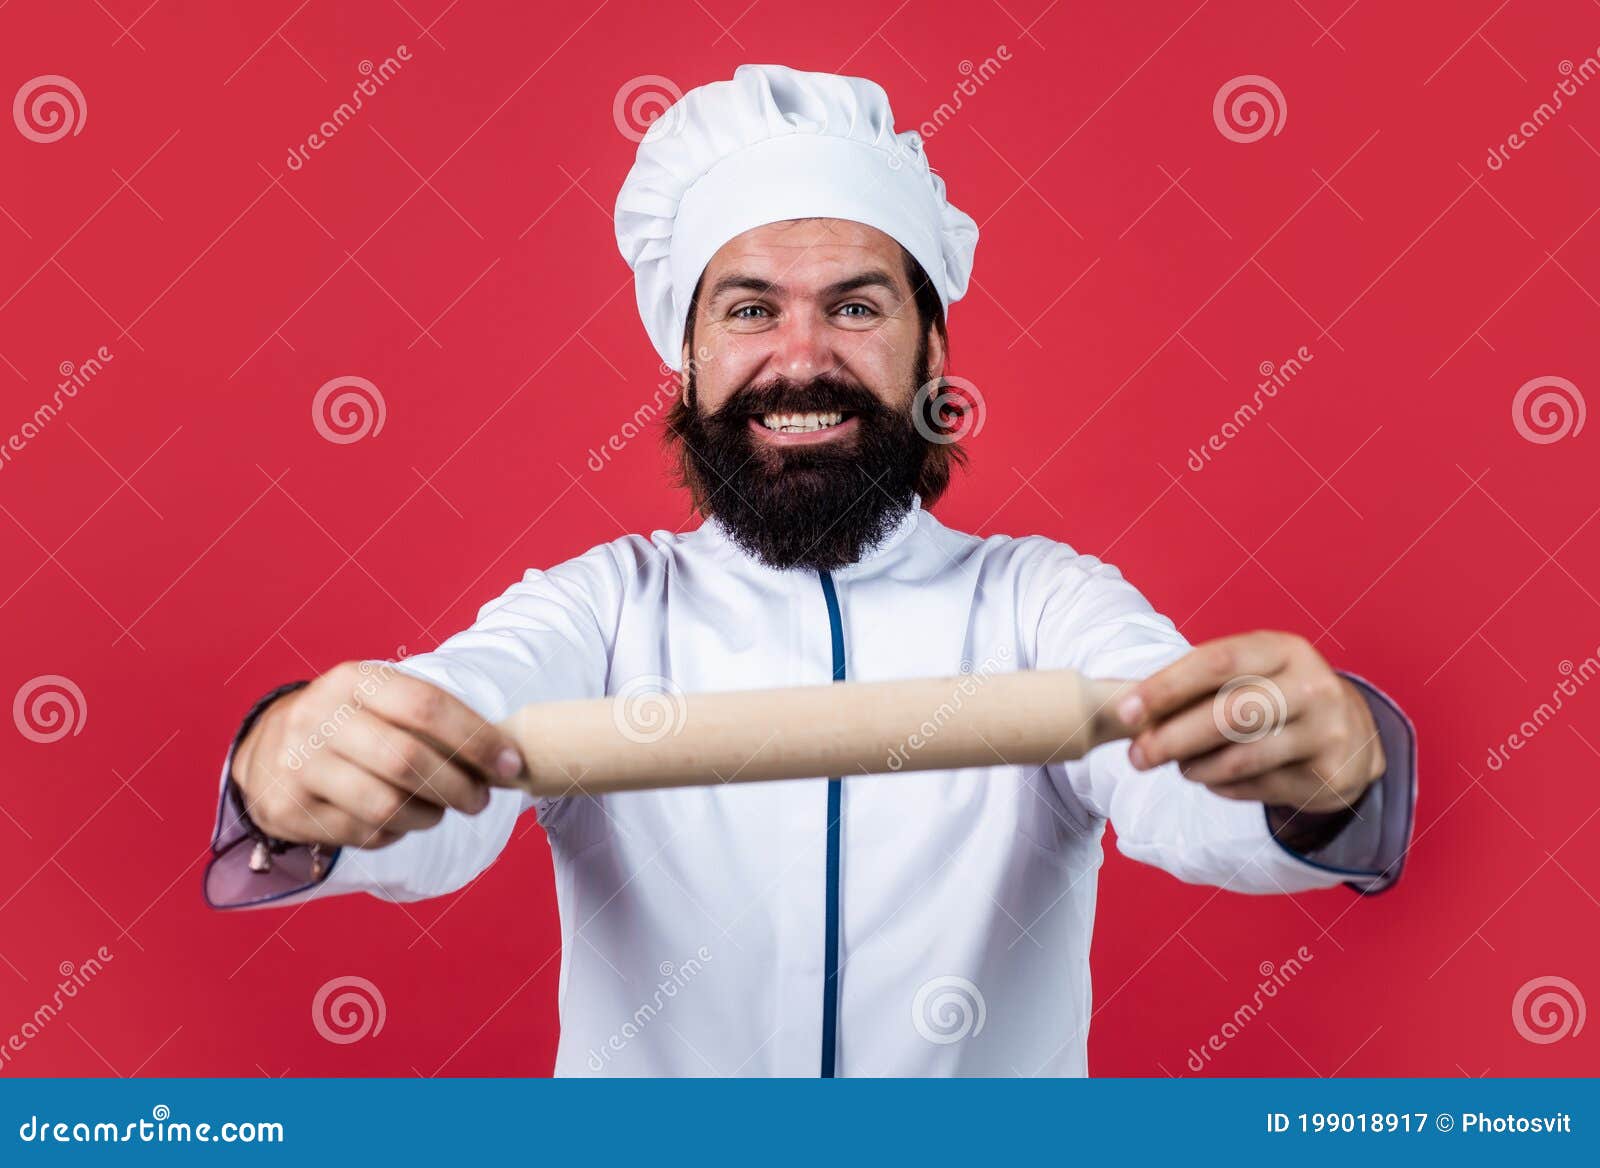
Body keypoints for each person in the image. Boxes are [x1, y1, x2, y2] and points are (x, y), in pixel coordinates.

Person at [204, 64, 1416, 1076]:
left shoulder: (1040, 604)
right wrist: (294, 765)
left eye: (854, 306)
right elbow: (444, 762)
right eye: (746, 310)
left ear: (931, 344)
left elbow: (1188, 785)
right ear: (683, 361)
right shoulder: (603, 610)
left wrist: (1321, 766)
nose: (801, 357)